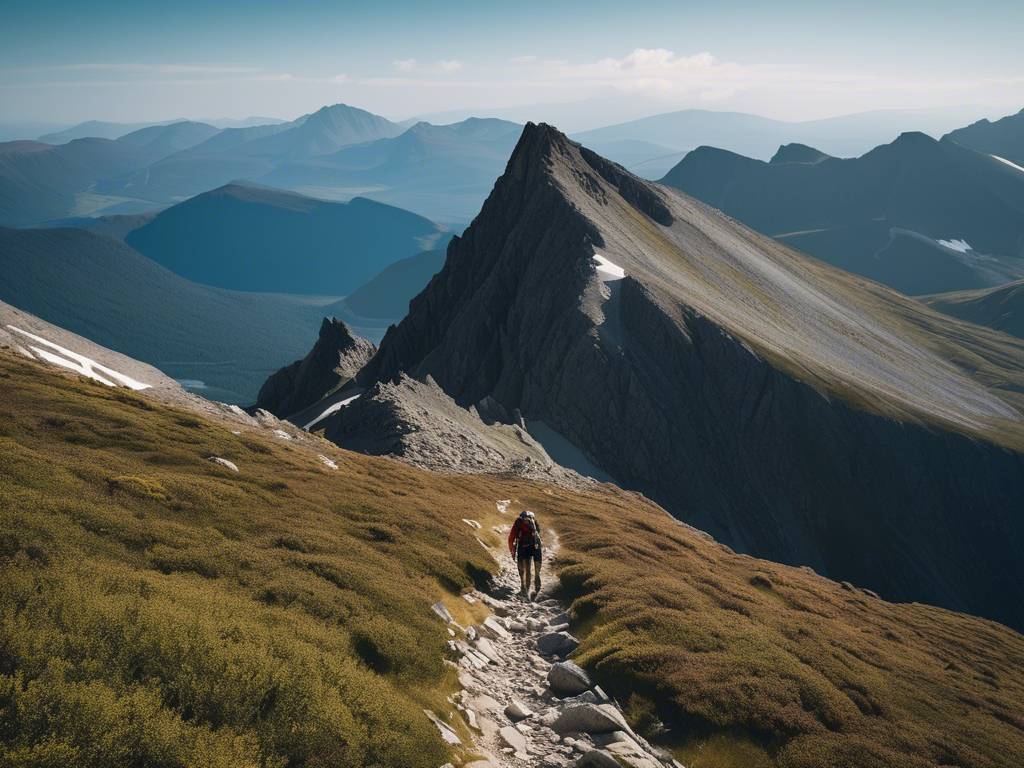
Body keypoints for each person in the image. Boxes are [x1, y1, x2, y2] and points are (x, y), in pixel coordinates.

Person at [508, 510, 542, 600]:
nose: (526, 521)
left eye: (528, 520)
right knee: (524, 568)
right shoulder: (518, 523)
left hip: (530, 545)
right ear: (522, 519)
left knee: (527, 567)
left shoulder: (532, 524)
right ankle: (524, 586)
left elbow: (511, 538)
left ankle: (526, 588)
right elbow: (511, 537)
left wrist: (512, 549)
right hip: (525, 545)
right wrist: (512, 551)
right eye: (525, 520)